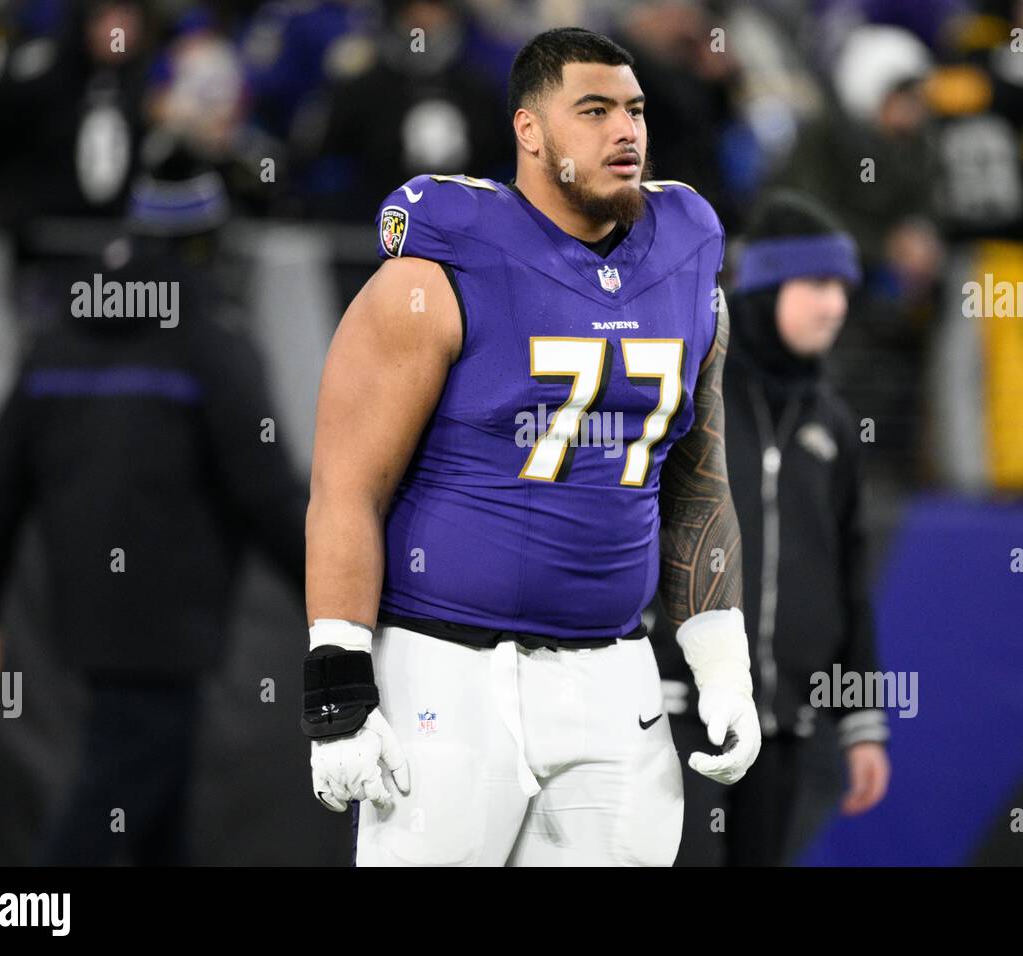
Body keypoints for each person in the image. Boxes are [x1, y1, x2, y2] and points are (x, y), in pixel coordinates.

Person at [301, 27, 760, 867]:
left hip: (617, 672)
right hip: (447, 669)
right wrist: (337, 682)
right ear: (530, 131)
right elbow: (345, 487)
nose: (625, 131)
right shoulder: (439, 268)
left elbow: (696, 478)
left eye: (634, 109)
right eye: (594, 110)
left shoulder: (688, 256)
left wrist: (721, 661)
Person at [0, 155, 308, 865]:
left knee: (151, 803)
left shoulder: (55, 338)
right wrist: (341, 597)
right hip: (171, 618)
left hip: (84, 611)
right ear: (207, 244)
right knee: (110, 800)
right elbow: (265, 491)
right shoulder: (214, 345)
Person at [657, 190, 891, 865]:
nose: (836, 306)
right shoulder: (688, 393)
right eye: (817, 283)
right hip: (677, 709)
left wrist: (863, 721)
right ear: (763, 286)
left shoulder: (834, 423)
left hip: (787, 722)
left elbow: (850, 579)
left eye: (843, 288)